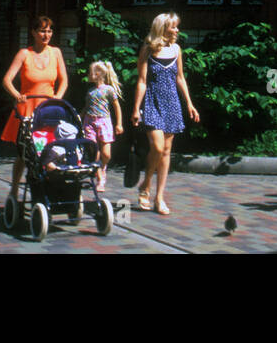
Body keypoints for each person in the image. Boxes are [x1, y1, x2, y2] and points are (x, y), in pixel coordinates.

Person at [131, 12, 200, 216]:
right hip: (152, 101)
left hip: (172, 103)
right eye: (173, 26)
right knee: (158, 147)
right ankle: (146, 184)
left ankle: (159, 197)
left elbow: (180, 78)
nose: (177, 30)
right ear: (163, 28)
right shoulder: (147, 49)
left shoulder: (177, 49)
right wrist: (136, 108)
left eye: (177, 26)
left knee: (167, 151)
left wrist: (189, 103)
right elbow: (142, 81)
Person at [1, 16, 68, 202]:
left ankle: (48, 191)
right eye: (42, 31)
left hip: (48, 111)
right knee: (25, 154)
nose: (46, 35)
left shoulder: (56, 53)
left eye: (49, 31)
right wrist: (17, 95)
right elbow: (7, 80)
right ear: (33, 32)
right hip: (27, 110)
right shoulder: (24, 54)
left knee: (49, 150)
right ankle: (14, 191)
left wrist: (58, 98)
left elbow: (64, 80)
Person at [82, 61, 123, 190]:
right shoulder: (90, 91)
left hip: (104, 122)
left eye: (90, 72)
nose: (88, 75)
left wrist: (119, 124)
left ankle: (102, 167)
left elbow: (116, 107)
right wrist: (79, 116)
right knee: (93, 150)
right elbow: (86, 107)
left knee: (106, 154)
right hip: (89, 122)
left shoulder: (108, 90)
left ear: (97, 74)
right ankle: (100, 178)